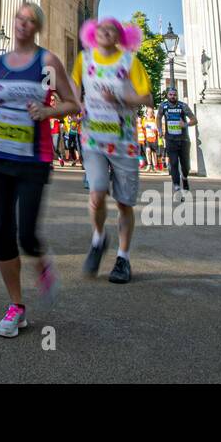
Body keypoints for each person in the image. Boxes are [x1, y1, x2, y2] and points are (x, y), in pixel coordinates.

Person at [0, 2, 79, 338]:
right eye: (19, 18)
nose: (23, 24)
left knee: (26, 235)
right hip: (0, 157)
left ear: (37, 27)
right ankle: (16, 306)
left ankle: (41, 262)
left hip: (34, 159)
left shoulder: (46, 62)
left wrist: (47, 112)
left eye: (30, 20)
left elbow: (70, 103)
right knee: (3, 234)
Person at [74, 17, 153, 284]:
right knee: (96, 193)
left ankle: (123, 257)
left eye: (112, 30)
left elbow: (148, 98)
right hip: (93, 139)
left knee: (123, 203)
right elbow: (73, 89)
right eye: (101, 29)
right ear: (93, 35)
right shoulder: (83, 59)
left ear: (120, 36)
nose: (105, 32)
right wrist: (76, 104)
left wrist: (119, 97)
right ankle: (98, 238)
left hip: (124, 141)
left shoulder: (131, 61)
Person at [159, 88, 197, 199]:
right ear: (167, 95)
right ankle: (177, 187)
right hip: (170, 140)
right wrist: (160, 129)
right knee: (174, 163)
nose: (172, 96)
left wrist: (185, 124)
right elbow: (158, 118)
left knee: (186, 166)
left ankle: (184, 178)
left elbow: (194, 120)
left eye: (174, 95)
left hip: (184, 140)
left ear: (177, 96)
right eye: (170, 94)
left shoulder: (183, 106)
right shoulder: (163, 106)